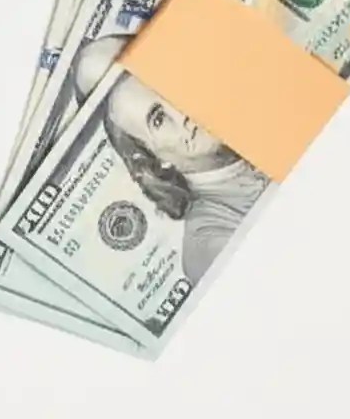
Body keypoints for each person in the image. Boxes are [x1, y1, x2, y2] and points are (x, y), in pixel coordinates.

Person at [73, 35, 268, 284]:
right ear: (153, 160)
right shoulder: (208, 243)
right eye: (158, 119)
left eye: (163, 81)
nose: (181, 108)